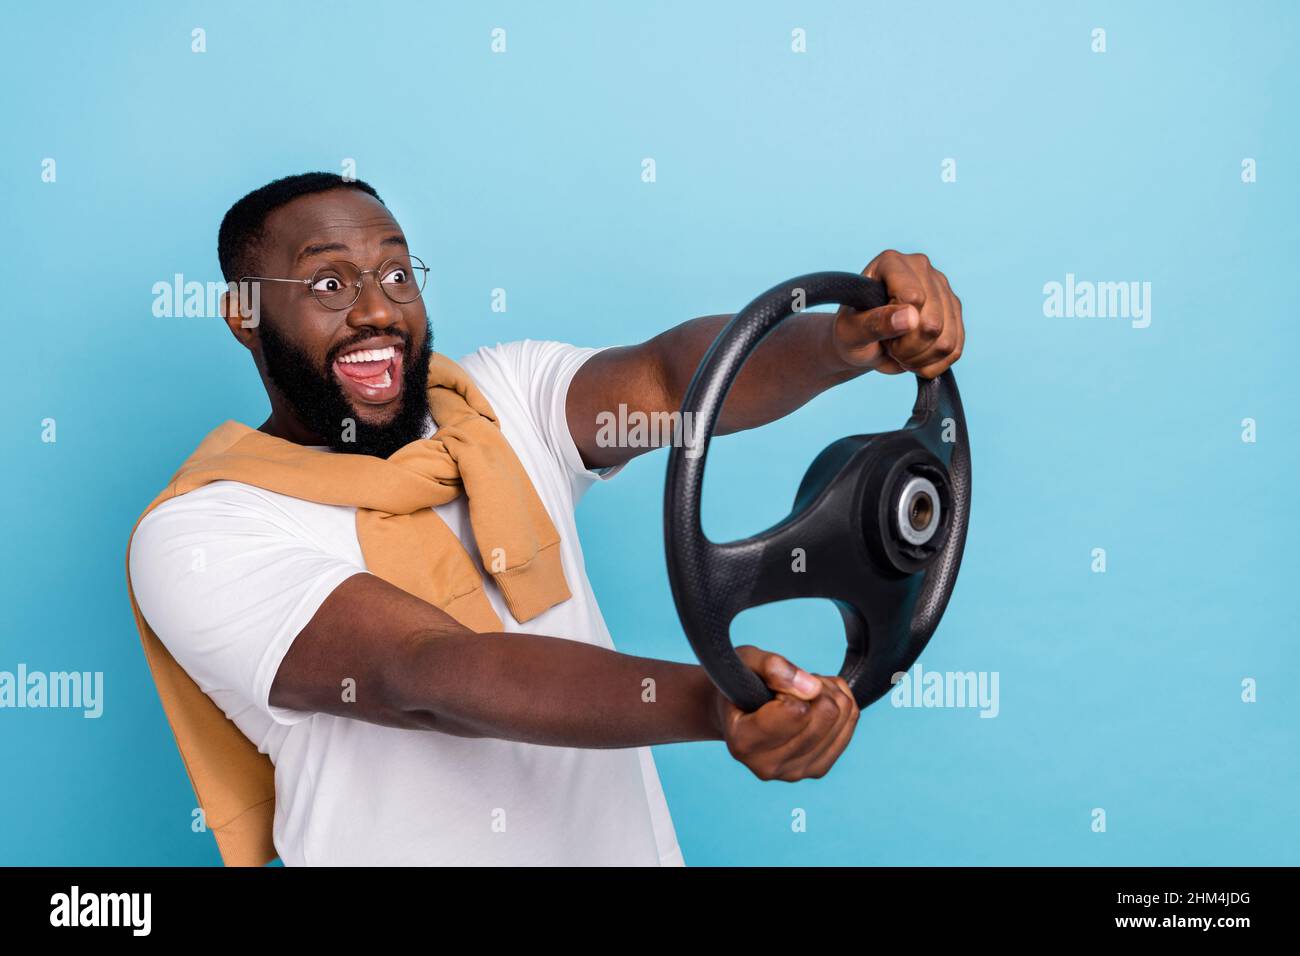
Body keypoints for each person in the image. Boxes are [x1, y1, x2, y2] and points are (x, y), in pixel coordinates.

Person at [126, 172, 964, 866]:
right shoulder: (201, 534)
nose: (378, 310)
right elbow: (424, 672)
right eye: (329, 283)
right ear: (244, 314)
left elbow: (674, 385)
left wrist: (849, 342)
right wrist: (711, 702)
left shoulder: (499, 405)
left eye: (396, 274)